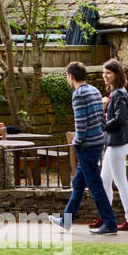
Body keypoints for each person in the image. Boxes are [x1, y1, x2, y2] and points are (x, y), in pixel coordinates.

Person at [49, 61, 117, 235]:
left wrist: (76, 141)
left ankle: (110, 223)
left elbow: (81, 123)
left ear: (71, 76)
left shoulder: (78, 94)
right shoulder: (94, 90)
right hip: (97, 143)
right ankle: (66, 220)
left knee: (95, 185)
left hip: (86, 146)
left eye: (67, 77)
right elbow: (102, 118)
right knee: (78, 183)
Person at [95, 59, 128, 231]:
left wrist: (104, 124)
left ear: (116, 75)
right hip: (113, 142)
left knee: (120, 182)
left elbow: (121, 119)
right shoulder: (115, 93)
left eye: (108, 73)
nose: (105, 76)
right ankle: (105, 216)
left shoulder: (120, 93)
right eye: (104, 73)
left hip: (118, 142)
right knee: (104, 181)